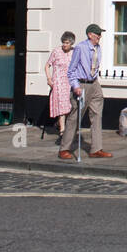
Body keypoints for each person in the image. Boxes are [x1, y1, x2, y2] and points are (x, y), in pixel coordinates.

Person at [59, 23, 112, 161]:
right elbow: (71, 71)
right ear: (90, 35)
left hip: (94, 84)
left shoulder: (98, 48)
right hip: (81, 84)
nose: (99, 36)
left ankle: (96, 149)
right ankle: (64, 149)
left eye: (100, 34)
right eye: (97, 34)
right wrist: (75, 86)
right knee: (75, 117)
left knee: (97, 116)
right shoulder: (80, 48)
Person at [45, 31, 76, 146]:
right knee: (61, 106)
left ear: (71, 43)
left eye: (67, 43)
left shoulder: (74, 52)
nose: (65, 45)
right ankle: (62, 131)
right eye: (63, 42)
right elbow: (47, 65)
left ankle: (62, 125)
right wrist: (49, 79)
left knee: (69, 106)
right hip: (58, 82)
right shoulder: (56, 51)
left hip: (70, 82)